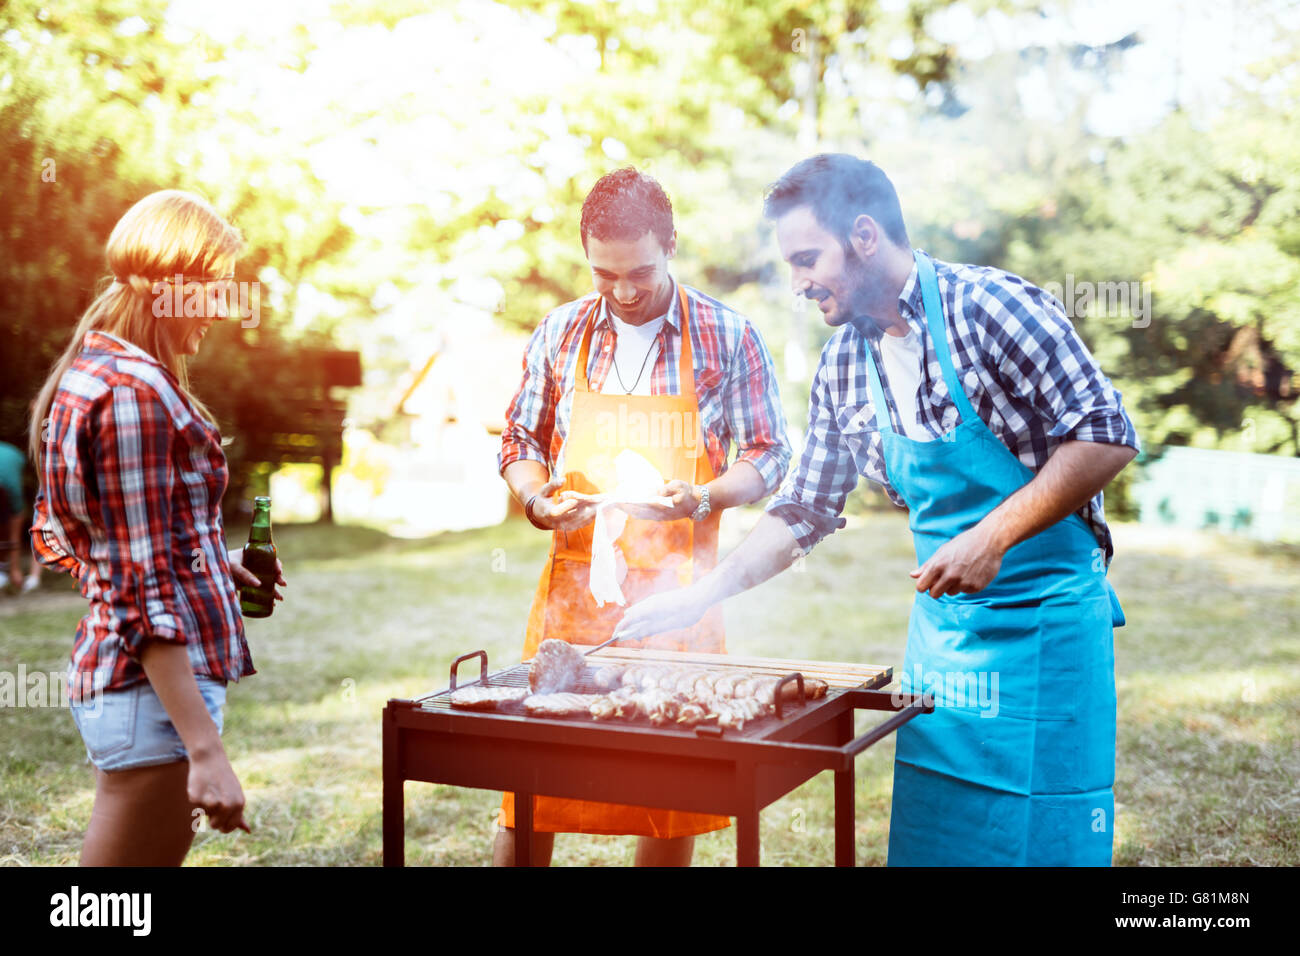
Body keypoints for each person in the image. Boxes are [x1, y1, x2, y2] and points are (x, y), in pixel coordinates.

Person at [616, 154, 1140, 866]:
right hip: (944, 646)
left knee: (1037, 839)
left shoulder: (990, 308)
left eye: (807, 260)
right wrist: (697, 596)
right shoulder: (842, 366)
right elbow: (802, 509)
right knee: (939, 840)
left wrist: (991, 536)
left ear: (865, 234)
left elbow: (1106, 434)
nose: (798, 283)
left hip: (1045, 631)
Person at [496, 167, 791, 866]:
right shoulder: (560, 333)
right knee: (533, 781)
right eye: (604, 274)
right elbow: (520, 441)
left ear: (671, 246)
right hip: (573, 597)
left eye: (640, 273)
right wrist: (537, 498)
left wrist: (705, 496)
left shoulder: (727, 336)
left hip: (680, 597)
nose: (624, 293)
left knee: (670, 790)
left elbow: (771, 454)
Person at [28, 189, 286, 866]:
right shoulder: (136, 394)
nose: (225, 309)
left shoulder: (101, 373)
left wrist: (209, 559)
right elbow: (137, 587)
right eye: (216, 290)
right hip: (150, 700)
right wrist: (207, 752)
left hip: (142, 698)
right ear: (176, 287)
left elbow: (85, 541)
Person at [0, 439, 41, 594]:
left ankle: (33, 577)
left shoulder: (13, 491)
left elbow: (14, 534)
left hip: (16, 459)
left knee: (39, 522)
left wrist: (15, 569)